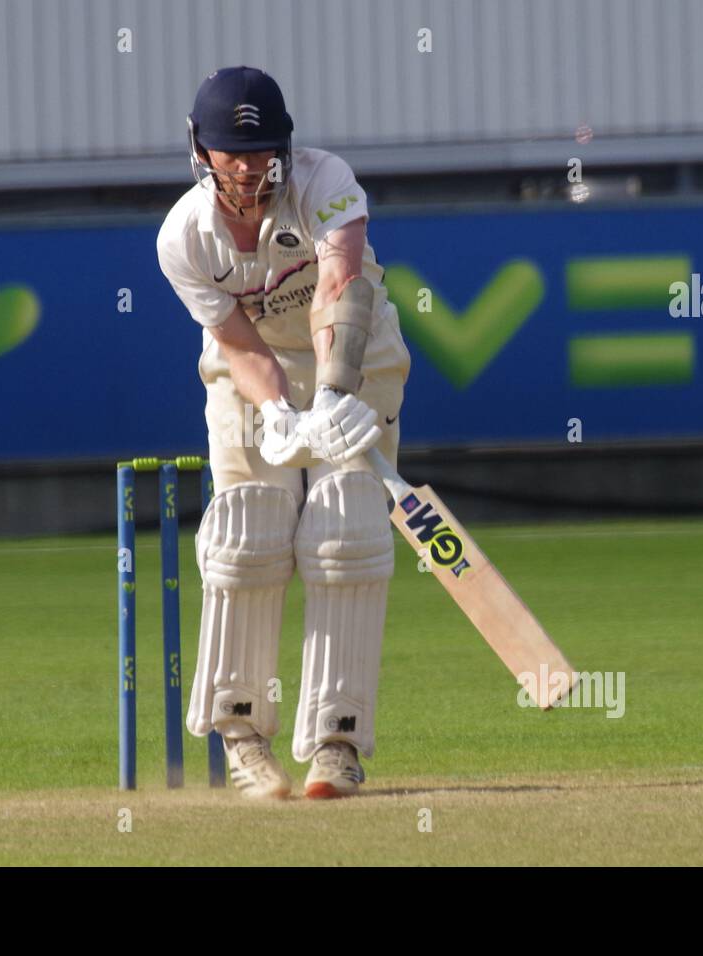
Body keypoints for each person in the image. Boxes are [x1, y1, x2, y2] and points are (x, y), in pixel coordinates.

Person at [156, 66, 411, 799]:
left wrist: (332, 394)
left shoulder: (326, 179)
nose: (247, 167)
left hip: (356, 357)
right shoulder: (184, 237)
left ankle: (338, 743)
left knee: (347, 535)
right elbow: (239, 343)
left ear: (285, 145)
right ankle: (241, 734)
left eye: (262, 150)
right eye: (231, 153)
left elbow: (340, 284)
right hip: (249, 373)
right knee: (249, 536)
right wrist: (275, 413)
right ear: (199, 150)